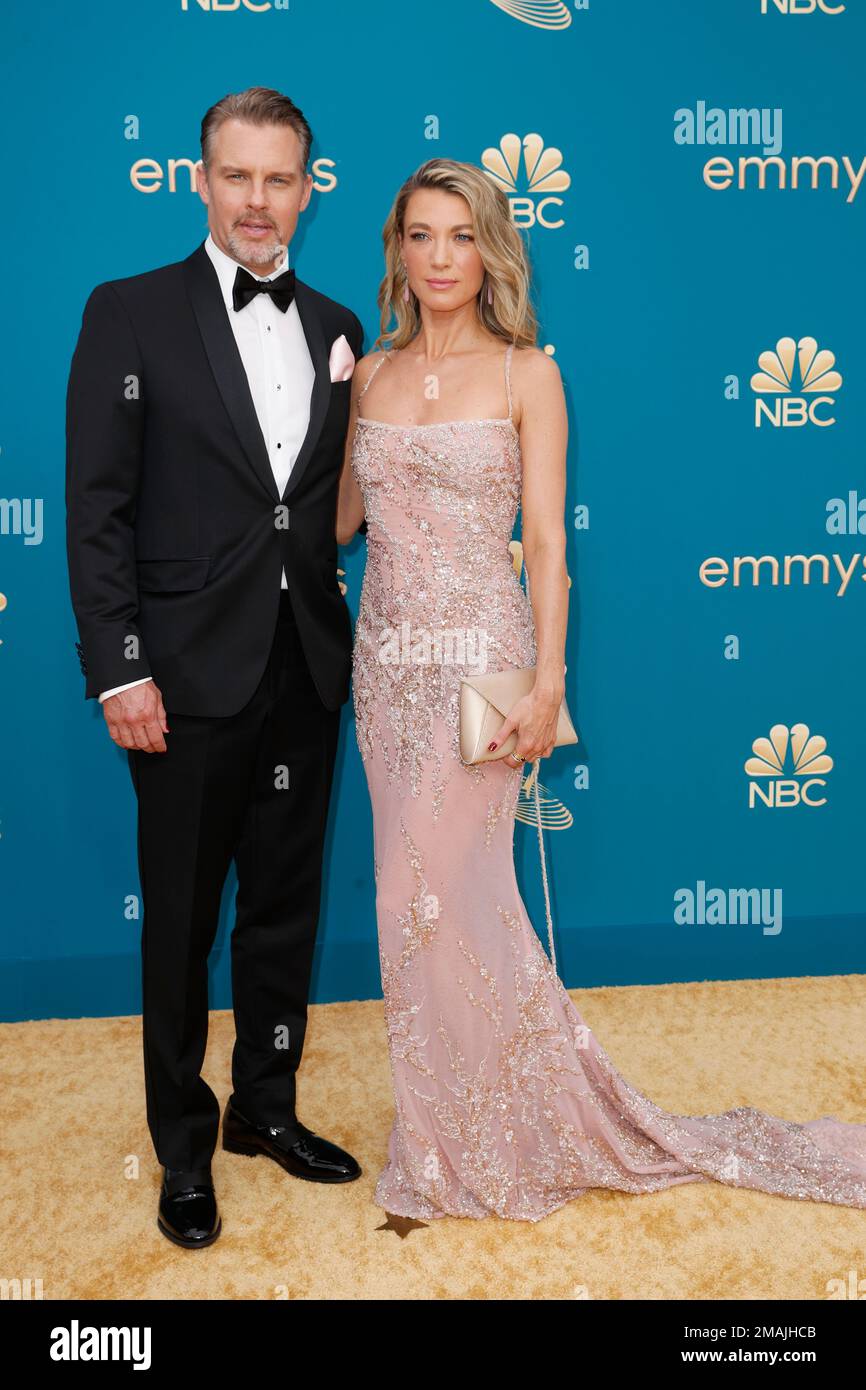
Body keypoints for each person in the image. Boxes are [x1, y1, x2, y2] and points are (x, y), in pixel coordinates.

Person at [336, 157, 866, 1222]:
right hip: (385, 667)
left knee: (437, 898)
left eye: (460, 235)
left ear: (491, 249)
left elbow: (544, 544)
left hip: (483, 663)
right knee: (418, 911)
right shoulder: (369, 376)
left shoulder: (529, 371)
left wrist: (544, 682)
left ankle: (477, 1137)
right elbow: (340, 519)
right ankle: (449, 1130)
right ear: (395, 248)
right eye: (420, 235)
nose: (439, 257)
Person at [66, 87, 363, 1249]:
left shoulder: (337, 323)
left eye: (279, 177)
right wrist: (118, 669)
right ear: (199, 179)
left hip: (302, 667)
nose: (257, 199)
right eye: (236, 176)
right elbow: (96, 511)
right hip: (180, 680)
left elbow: (322, 507)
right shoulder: (128, 314)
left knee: (282, 914)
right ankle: (183, 1152)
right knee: (181, 923)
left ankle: (265, 1111)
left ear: (306, 185)